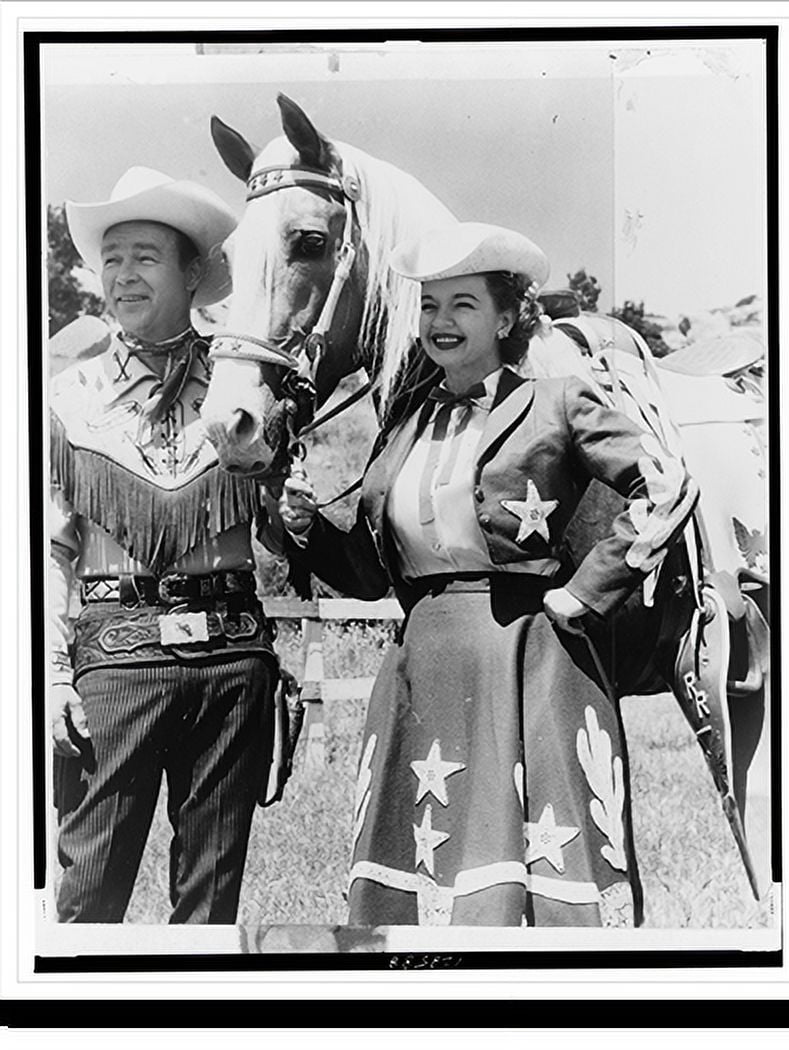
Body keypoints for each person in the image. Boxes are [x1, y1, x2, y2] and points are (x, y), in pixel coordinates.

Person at [271, 221, 699, 927]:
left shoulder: (557, 402)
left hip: (528, 663)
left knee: (537, 900)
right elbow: (374, 576)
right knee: (415, 907)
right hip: (422, 670)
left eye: (463, 305)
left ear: (507, 317)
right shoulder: (405, 422)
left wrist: (584, 591)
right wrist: (305, 528)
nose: (441, 322)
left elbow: (667, 481)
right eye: (431, 306)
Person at [49, 167, 278, 924]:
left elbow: (284, 535)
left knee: (211, 904)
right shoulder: (64, 400)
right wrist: (52, 678)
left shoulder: (246, 391)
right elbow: (45, 551)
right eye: (111, 259)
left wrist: (285, 490)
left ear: (191, 274)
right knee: (87, 896)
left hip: (231, 657)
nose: (122, 275)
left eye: (145, 257)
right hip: (115, 661)